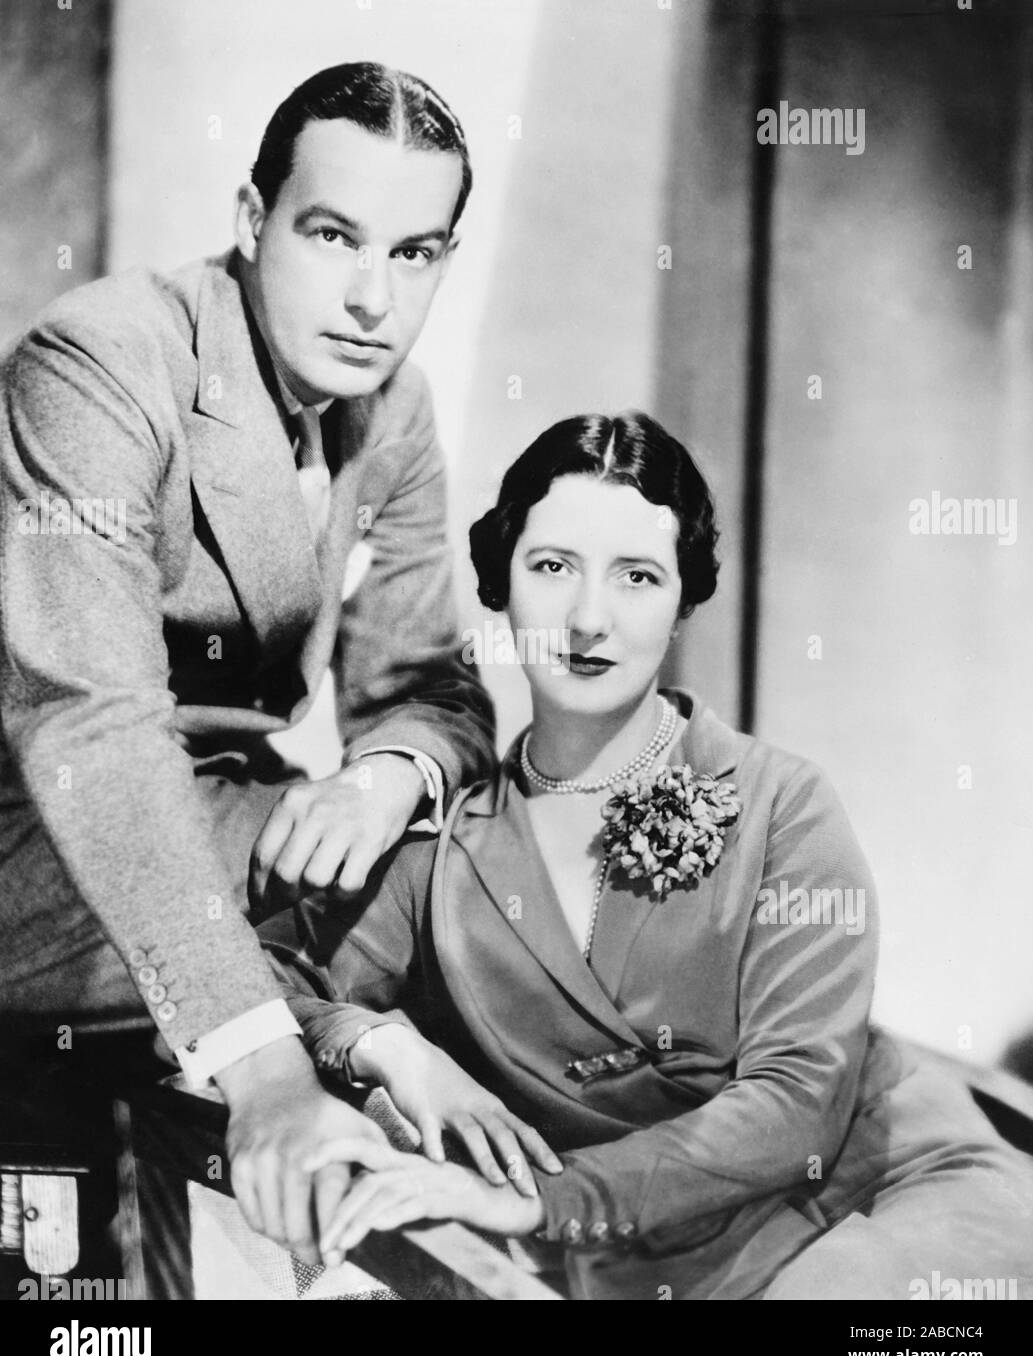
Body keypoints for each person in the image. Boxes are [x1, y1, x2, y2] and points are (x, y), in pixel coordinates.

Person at [270, 410, 1033, 1299]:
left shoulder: (782, 802)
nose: (588, 618)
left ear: (681, 602)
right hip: (641, 1261)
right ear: (499, 584)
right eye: (551, 568)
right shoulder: (437, 857)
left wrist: (546, 1201)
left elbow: (796, 1106)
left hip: (880, 1196)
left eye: (636, 577)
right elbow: (259, 980)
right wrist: (384, 1049)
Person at [0, 62, 494, 1266]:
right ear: (250, 219)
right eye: (333, 236)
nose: (374, 298)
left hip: (222, 836)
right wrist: (268, 1068)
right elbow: (89, 735)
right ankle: (340, 1039)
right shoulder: (97, 364)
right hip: (39, 843)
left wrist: (379, 776)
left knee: (481, 862)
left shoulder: (394, 408)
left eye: (417, 253)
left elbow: (434, 692)